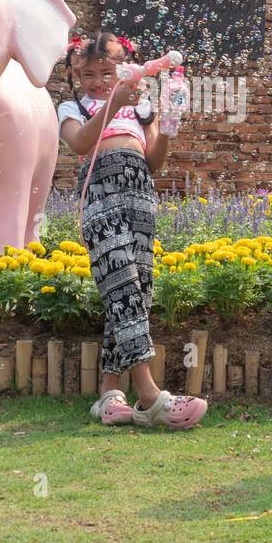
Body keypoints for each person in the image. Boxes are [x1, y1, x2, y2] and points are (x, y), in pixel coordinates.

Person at [58, 31, 207, 429]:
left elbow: (154, 162)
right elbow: (78, 143)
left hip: (140, 196)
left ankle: (110, 395)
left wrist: (169, 126)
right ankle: (150, 397)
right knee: (121, 283)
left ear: (126, 68)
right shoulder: (72, 108)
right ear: (74, 71)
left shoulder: (142, 111)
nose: (97, 80)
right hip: (101, 198)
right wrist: (109, 103)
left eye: (107, 72)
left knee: (133, 291)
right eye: (87, 73)